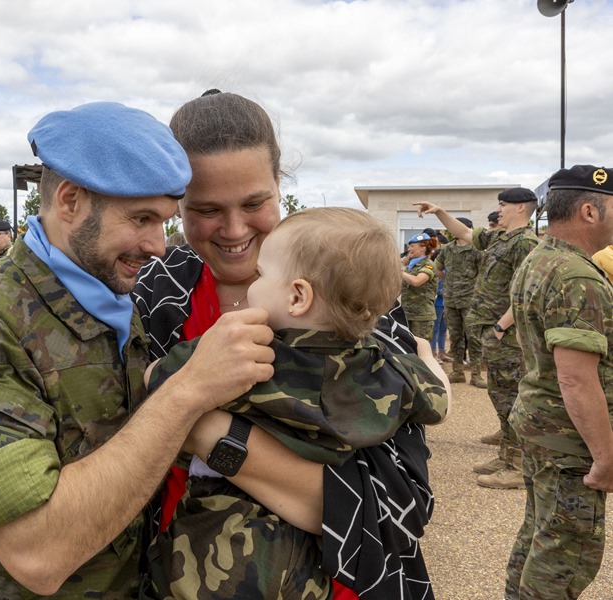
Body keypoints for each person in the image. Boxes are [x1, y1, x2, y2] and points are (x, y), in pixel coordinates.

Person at [0, 101, 276, 599]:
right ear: (70, 201)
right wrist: (187, 390)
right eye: (142, 218)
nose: (158, 245)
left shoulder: (116, 304)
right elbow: (37, 552)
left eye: (165, 221)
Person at [134, 90, 442, 599]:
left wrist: (204, 426)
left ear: (281, 186)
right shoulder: (155, 292)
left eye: (255, 203)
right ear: (176, 206)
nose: (234, 230)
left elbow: (400, 505)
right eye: (206, 209)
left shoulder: (348, 289)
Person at [505, 164, 613, 598]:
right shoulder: (576, 276)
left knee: (540, 534)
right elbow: (576, 379)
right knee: (565, 557)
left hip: (540, 424)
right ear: (590, 211)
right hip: (569, 438)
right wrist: (605, 456)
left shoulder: (541, 258)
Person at [414, 188, 538, 489]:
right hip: (490, 328)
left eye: (503, 204)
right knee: (499, 393)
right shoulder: (502, 238)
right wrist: (441, 211)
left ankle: (519, 465)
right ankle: (507, 455)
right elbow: (467, 234)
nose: (499, 209)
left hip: (504, 333)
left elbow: (525, 292)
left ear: (521, 208)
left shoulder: (526, 242)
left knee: (511, 395)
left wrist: (500, 327)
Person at [434, 218, 485, 387]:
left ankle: (476, 374)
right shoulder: (447, 249)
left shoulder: (477, 249)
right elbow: (438, 268)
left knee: (473, 337)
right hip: (450, 299)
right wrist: (449, 279)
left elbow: (484, 273)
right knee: (455, 337)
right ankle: (457, 372)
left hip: (471, 300)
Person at [400, 232, 439, 340]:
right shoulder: (411, 267)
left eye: (412, 246)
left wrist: (399, 272)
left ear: (422, 248)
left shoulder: (429, 265)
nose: (409, 249)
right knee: (408, 348)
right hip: (407, 314)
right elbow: (402, 287)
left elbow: (417, 281)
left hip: (422, 317)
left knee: (421, 349)